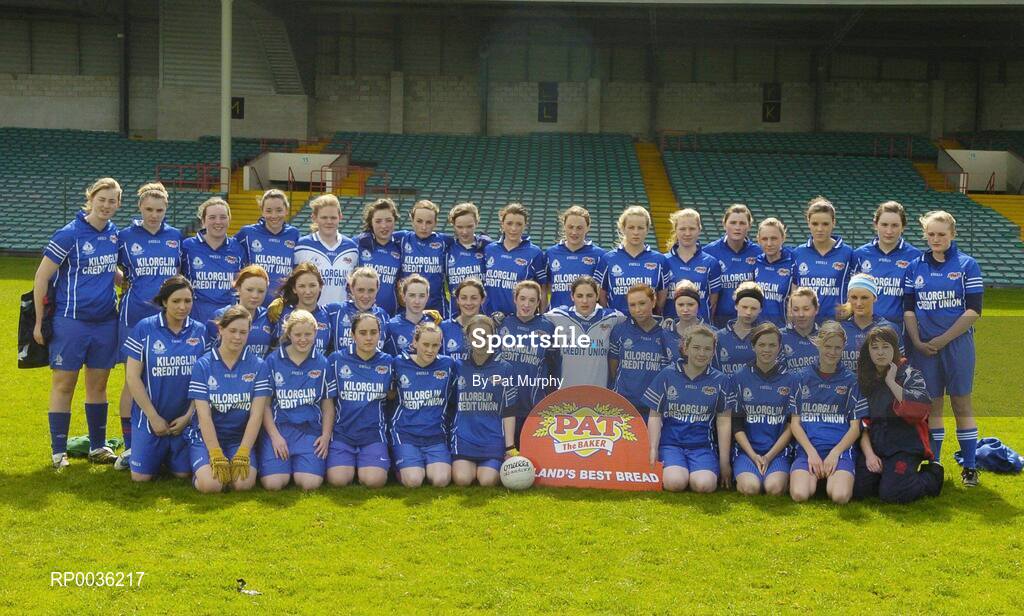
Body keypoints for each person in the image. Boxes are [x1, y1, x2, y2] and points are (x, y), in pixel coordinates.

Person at [34, 177, 123, 468]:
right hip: (71, 322)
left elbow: (111, 271)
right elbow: (41, 277)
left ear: (118, 204)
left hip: (106, 322)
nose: (107, 205)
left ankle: (98, 448)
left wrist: (125, 280)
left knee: (98, 386)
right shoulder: (69, 234)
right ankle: (58, 452)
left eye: (113, 201)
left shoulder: (114, 235)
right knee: (64, 385)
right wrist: (38, 322)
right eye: (102, 199)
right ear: (91, 198)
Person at [903, 210, 983, 486]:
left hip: (957, 345)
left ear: (953, 234)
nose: (936, 239)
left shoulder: (967, 265)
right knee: (933, 406)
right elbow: (909, 310)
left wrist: (944, 339)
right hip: (925, 348)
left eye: (941, 234)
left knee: (961, 403)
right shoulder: (915, 267)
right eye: (931, 234)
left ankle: (970, 466)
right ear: (925, 234)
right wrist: (916, 341)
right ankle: (934, 463)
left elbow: (974, 310)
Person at [114, 182, 182, 469]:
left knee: (168, 377)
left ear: (166, 209)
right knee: (133, 381)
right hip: (134, 317)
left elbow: (181, 273)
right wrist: (125, 283)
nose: (154, 215)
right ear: (139, 208)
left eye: (159, 210)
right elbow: (110, 266)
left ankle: (169, 439)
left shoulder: (176, 237)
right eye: (149, 209)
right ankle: (131, 447)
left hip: (168, 319)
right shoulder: (125, 236)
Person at [122, 276, 207, 481]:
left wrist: (188, 417)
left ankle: (166, 455)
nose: (182, 307)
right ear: (164, 302)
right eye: (176, 301)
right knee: (140, 478)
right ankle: (144, 452)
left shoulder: (200, 330)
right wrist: (153, 416)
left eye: (187, 301)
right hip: (151, 418)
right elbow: (132, 377)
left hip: (184, 420)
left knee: (183, 474)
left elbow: (204, 380)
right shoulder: (145, 328)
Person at [853, 326, 944, 503]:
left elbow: (920, 409)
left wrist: (891, 382)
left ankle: (933, 475)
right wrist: (870, 455)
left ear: (895, 349)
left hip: (905, 446)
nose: (880, 352)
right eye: (875, 347)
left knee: (892, 494)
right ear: (868, 352)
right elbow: (862, 422)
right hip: (877, 444)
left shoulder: (910, 375)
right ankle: (887, 475)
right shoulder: (865, 379)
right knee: (859, 490)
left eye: (885, 347)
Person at [186, 305, 270, 493]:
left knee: (243, 484)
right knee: (211, 486)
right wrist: (215, 453)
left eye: (243, 332)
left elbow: (256, 415)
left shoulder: (258, 365)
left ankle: (233, 459)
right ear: (221, 329)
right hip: (206, 437)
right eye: (232, 331)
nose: (237, 337)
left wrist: (243, 451)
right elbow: (203, 415)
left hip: (238, 439)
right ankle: (200, 471)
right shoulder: (203, 365)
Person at [644, 324, 733, 493]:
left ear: (714, 352)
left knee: (704, 485)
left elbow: (724, 421)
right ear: (685, 348)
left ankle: (700, 470)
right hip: (671, 445)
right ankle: (677, 470)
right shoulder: (668, 375)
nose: (701, 353)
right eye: (696, 347)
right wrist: (653, 449)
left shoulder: (721, 380)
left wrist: (724, 462)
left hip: (702, 446)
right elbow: (655, 415)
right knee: (675, 483)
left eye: (707, 349)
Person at [259, 310, 336, 491]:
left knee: (310, 484)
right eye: (298, 334)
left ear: (316, 333)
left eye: (308, 334)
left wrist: (325, 436)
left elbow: (327, 406)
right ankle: (281, 466)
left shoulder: (322, 363)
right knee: (273, 484)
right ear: (289, 334)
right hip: (279, 431)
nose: (303, 339)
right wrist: (275, 437)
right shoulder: (273, 360)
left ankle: (300, 464)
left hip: (309, 431)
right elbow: (265, 405)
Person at [789, 321, 863, 504]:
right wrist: (811, 453)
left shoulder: (851, 380)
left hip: (839, 449)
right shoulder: (800, 377)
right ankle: (816, 476)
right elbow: (795, 424)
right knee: (800, 495)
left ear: (844, 347)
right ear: (818, 344)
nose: (832, 352)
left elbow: (855, 428)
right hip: (809, 449)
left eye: (838, 347)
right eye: (828, 346)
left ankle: (830, 478)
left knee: (840, 497)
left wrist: (835, 453)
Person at [326, 313, 393, 488]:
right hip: (342, 433)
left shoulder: (389, 363)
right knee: (338, 481)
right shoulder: (336, 359)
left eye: (373, 332)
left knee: (374, 481)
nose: (369, 338)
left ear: (380, 334)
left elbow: (394, 395)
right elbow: (327, 402)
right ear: (352, 334)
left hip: (373, 434)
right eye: (363, 333)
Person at [730, 323, 797, 496]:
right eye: (761, 345)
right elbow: (736, 424)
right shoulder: (739, 377)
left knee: (774, 489)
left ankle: (782, 476)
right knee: (750, 489)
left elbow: (791, 426)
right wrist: (753, 455)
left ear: (780, 347)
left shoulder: (791, 379)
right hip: (747, 451)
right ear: (753, 346)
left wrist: (768, 456)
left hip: (778, 452)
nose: (767, 349)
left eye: (772, 345)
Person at [451, 315, 518, 487]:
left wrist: (509, 446)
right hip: (464, 439)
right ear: (467, 337)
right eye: (475, 336)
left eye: (485, 336)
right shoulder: (457, 366)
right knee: (462, 479)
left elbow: (509, 410)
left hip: (492, 440)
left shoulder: (505, 368)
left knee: (487, 481)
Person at [391, 322, 458, 488]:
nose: (430, 350)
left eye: (435, 345)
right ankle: (398, 466)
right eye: (425, 344)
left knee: (440, 481)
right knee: (414, 481)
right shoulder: (398, 363)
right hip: (405, 433)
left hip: (435, 435)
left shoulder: (448, 365)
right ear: (414, 342)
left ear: (441, 345)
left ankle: (422, 463)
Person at [497, 281, 559, 444]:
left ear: (539, 302)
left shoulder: (548, 328)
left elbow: (555, 366)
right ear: (515, 299)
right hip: (503, 407)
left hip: (533, 407)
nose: (526, 304)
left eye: (532, 300)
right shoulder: (502, 324)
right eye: (522, 298)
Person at [545, 276, 625, 388]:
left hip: (600, 395)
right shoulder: (557, 316)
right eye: (579, 296)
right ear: (572, 297)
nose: (584, 301)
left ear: (597, 296)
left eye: (589, 295)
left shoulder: (612, 317)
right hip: (565, 394)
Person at [854, 201, 922, 331]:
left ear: (903, 227)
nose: (889, 231)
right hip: (863, 329)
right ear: (875, 225)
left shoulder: (915, 257)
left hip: (898, 331)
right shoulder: (859, 255)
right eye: (884, 225)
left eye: (895, 225)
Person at [609, 284, 674, 421]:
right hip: (624, 405)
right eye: (632, 305)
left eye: (642, 303)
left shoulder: (668, 332)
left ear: (654, 301)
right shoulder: (619, 330)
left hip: (657, 407)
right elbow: (614, 367)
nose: (637, 310)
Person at [791, 196, 858, 324]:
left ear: (834, 222)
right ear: (808, 222)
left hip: (837, 325)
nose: (820, 229)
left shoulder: (848, 253)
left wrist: (849, 307)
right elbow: (794, 288)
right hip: (805, 324)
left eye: (825, 224)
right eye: (815, 224)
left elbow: (855, 289)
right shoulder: (798, 253)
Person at [181, 197, 245, 326]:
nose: (218, 222)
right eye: (212, 217)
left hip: (227, 321)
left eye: (223, 217)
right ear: (203, 221)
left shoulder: (238, 249)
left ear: (229, 219)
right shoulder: (188, 246)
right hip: (195, 320)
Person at [595, 206, 670, 314]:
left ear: (647, 229)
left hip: (647, 325)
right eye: (631, 227)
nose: (636, 232)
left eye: (640, 228)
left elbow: (661, 299)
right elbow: (601, 296)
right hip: (616, 325)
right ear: (623, 229)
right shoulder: (608, 259)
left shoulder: (660, 260)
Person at [235, 189, 299, 307]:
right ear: (262, 212)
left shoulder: (294, 234)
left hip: (283, 306)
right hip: (253, 305)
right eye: (268, 211)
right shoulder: (247, 233)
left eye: (279, 210)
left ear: (286, 210)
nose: (274, 215)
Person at [483, 203, 547, 317]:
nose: (513, 228)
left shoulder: (534, 252)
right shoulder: (489, 249)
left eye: (519, 224)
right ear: (502, 224)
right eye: (509, 223)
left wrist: (542, 318)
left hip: (520, 320)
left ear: (525, 225)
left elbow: (543, 289)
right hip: (489, 318)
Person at [704, 204, 762, 327]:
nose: (737, 227)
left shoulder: (759, 253)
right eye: (733, 222)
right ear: (724, 224)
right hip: (718, 322)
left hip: (750, 322)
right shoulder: (709, 252)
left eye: (742, 223)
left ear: (749, 225)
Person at [294, 194, 358, 306]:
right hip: (311, 314)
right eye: (324, 217)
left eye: (333, 217)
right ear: (314, 218)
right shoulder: (301, 246)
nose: (329, 221)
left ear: (340, 217)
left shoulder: (351, 248)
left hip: (342, 316)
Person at [663, 208, 720, 323]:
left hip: (701, 329)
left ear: (699, 230)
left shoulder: (711, 262)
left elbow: (713, 303)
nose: (687, 233)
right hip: (670, 329)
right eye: (682, 229)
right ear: (675, 230)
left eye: (692, 229)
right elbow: (660, 302)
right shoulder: (663, 261)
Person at [836, 273, 901, 371]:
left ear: (874, 298)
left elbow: (899, 365)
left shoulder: (890, 328)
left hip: (879, 385)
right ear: (848, 298)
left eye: (864, 298)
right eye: (854, 297)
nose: (858, 303)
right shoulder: (839, 329)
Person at [546, 205, 605, 310]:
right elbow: (545, 288)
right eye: (570, 227)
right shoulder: (551, 253)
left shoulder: (600, 255)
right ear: (564, 226)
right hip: (557, 318)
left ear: (588, 228)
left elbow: (602, 292)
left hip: (588, 319)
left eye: (579, 228)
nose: (574, 232)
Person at [207, 265, 274, 357]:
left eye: (261, 291)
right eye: (249, 290)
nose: (255, 295)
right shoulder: (221, 315)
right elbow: (210, 355)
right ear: (238, 288)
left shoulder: (269, 316)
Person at [270, 263, 333, 355]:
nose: (308, 291)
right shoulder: (280, 312)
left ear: (320, 286)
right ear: (294, 289)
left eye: (312, 285)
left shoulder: (329, 316)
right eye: (302, 286)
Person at [398, 200, 448, 315]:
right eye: (419, 221)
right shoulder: (402, 239)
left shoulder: (444, 241)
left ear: (435, 223)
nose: (423, 227)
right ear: (412, 221)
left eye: (429, 222)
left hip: (437, 310)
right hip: (407, 310)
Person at [355, 197, 402, 316]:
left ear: (395, 221)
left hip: (390, 316)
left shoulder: (400, 247)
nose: (384, 226)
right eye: (378, 221)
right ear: (371, 222)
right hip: (361, 315)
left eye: (388, 220)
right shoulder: (358, 244)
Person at [327, 266, 390, 353]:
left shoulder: (383, 316)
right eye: (360, 290)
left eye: (371, 290)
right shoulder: (335, 311)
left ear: (377, 289)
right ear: (352, 289)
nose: (366, 296)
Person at [445, 202, 491, 317]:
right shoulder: (446, 249)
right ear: (453, 225)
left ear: (477, 223)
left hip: (483, 315)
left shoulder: (487, 247)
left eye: (469, 226)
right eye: (459, 227)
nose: (464, 232)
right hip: (456, 315)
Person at [713, 281, 765, 375]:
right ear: (736, 306)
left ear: (760, 309)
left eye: (753, 308)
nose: (748, 312)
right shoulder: (718, 337)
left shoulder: (765, 336)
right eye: (744, 307)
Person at [753, 217, 794, 327]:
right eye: (764, 239)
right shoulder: (756, 262)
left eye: (774, 238)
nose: (769, 243)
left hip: (782, 329)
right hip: (757, 330)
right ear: (758, 240)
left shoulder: (793, 263)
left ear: (783, 238)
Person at [384, 275, 439, 356]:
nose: (417, 301)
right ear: (403, 296)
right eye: (412, 295)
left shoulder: (435, 323)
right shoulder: (391, 325)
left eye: (422, 296)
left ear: (427, 297)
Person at [440, 278, 486, 362]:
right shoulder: (443, 327)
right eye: (464, 298)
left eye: (474, 298)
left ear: (482, 300)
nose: (468, 303)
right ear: (457, 300)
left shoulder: (489, 328)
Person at [781, 287, 821, 373]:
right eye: (796, 309)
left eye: (806, 309)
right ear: (790, 311)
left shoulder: (826, 337)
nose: (801, 314)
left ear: (816, 309)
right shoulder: (779, 337)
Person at [663, 280, 704, 362]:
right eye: (681, 305)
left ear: (698, 305)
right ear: (675, 305)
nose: (685, 309)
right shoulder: (664, 334)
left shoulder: (712, 333)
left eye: (690, 304)